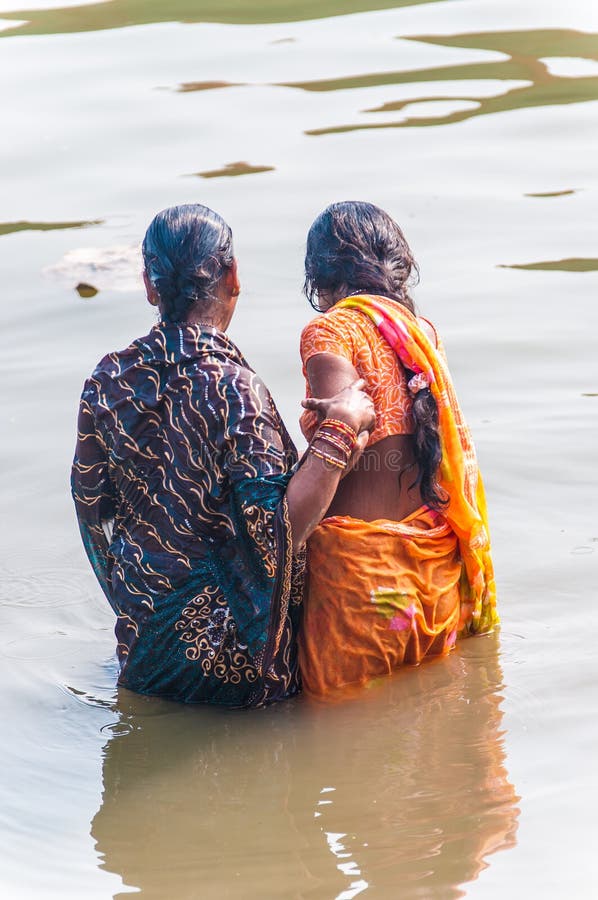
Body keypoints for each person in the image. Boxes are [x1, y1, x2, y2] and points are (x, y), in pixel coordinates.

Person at [71, 203, 374, 708]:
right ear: (233, 275)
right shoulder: (235, 390)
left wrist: (148, 610)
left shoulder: (105, 383)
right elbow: (276, 534)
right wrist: (339, 431)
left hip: (143, 661)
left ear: (150, 285)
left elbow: (93, 515)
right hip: (235, 683)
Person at [298, 200, 498, 695]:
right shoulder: (422, 334)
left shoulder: (330, 330)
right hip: (436, 581)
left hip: (361, 591)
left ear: (320, 276)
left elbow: (341, 448)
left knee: (347, 755)